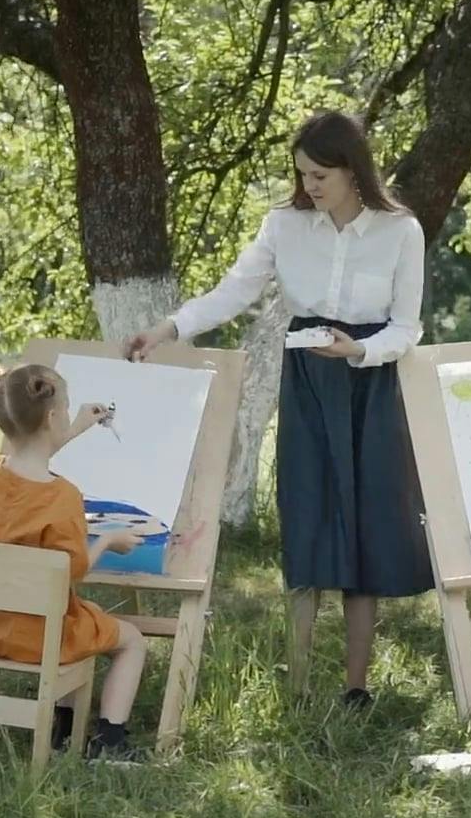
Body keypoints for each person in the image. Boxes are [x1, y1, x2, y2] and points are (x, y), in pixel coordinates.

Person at [124, 111, 431, 709]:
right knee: (308, 512)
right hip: (309, 381)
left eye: (321, 174)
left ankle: (355, 687)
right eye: (303, 174)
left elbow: (407, 327)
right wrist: (166, 328)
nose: (310, 185)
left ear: (352, 170)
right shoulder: (284, 226)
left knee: (365, 526)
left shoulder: (401, 231)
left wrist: (362, 350)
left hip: (369, 383)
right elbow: (234, 291)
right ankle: (296, 685)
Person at [0, 365, 151, 761]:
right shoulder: (64, 497)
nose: (69, 413)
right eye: (66, 408)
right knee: (129, 639)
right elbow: (74, 570)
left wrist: (77, 427)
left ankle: (64, 731)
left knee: (87, 615)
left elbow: (31, 458)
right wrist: (107, 540)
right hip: (39, 635)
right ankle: (110, 743)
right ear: (52, 417)